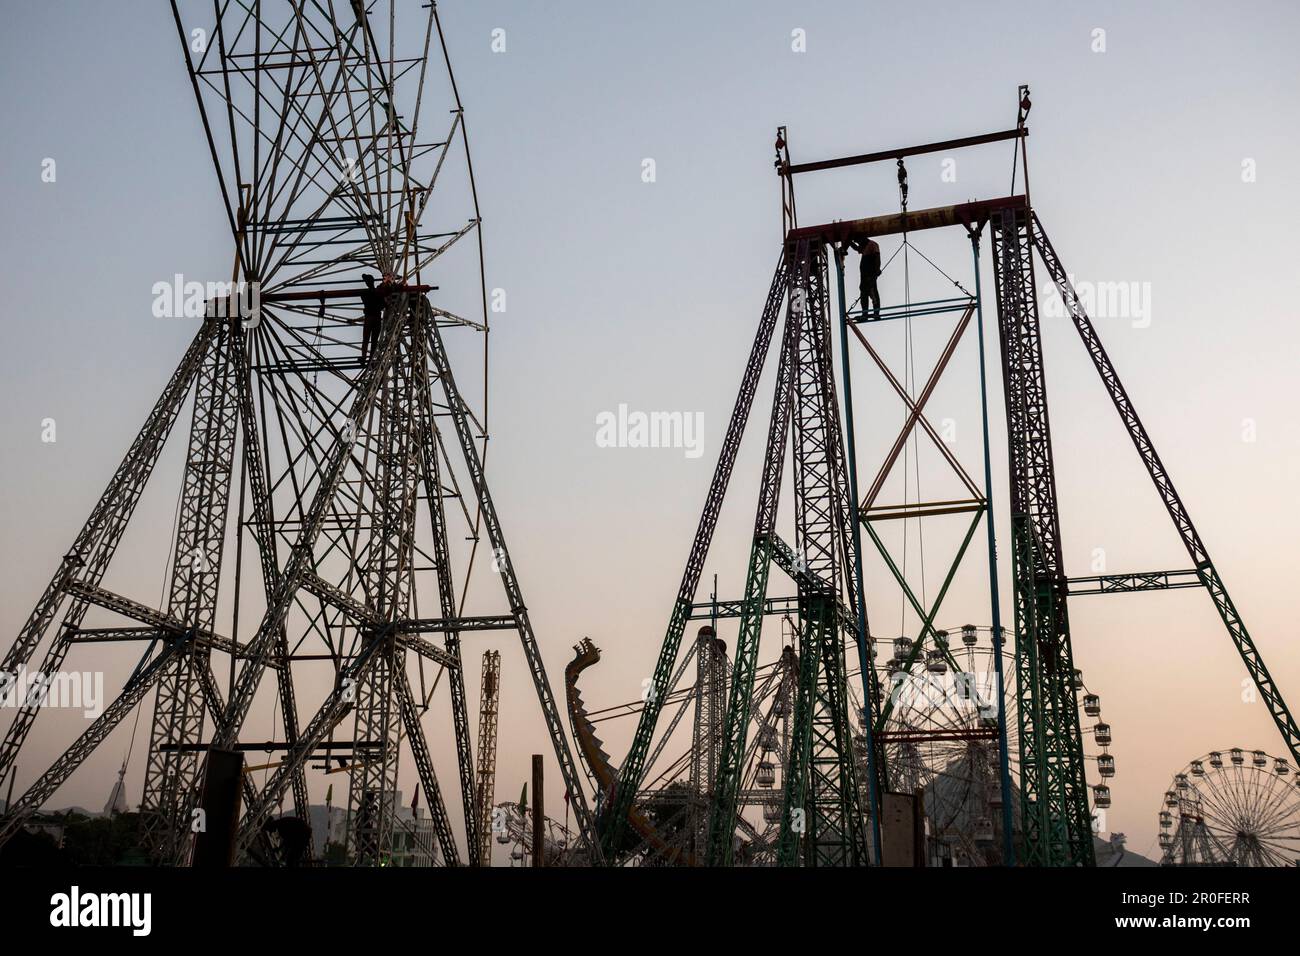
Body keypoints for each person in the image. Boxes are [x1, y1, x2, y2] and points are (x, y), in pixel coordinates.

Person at [848, 236, 882, 320]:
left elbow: (877, 258)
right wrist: (849, 241)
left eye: (858, 241)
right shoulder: (864, 246)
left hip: (870, 274)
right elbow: (857, 248)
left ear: (862, 239)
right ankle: (865, 314)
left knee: (872, 291)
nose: (858, 243)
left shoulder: (872, 245)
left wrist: (876, 271)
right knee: (863, 293)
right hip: (864, 275)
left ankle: (876, 313)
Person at [359, 272, 385, 362]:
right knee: (374, 340)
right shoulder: (378, 293)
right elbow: (384, 304)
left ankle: (364, 357)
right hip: (376, 317)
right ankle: (371, 358)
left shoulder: (365, 294)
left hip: (369, 317)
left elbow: (364, 299)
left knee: (366, 339)